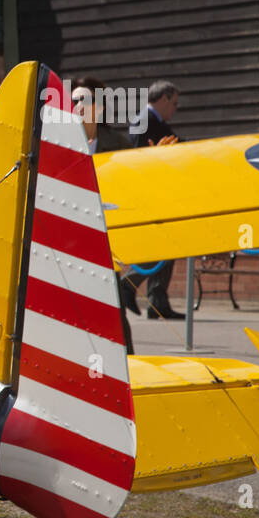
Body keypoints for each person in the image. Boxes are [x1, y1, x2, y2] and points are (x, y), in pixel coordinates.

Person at [72, 77, 134, 354]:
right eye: (73, 101)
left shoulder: (119, 144)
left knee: (114, 311)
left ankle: (127, 364)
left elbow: (130, 186)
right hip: (69, 238)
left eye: (84, 100)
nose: (77, 106)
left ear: (99, 108)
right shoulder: (54, 144)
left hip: (107, 237)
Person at [126, 80, 184, 319]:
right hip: (151, 195)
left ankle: (158, 303)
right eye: (175, 103)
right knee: (166, 246)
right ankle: (127, 284)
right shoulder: (144, 121)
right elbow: (138, 158)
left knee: (167, 246)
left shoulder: (155, 122)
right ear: (164, 99)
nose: (176, 109)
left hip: (160, 193)